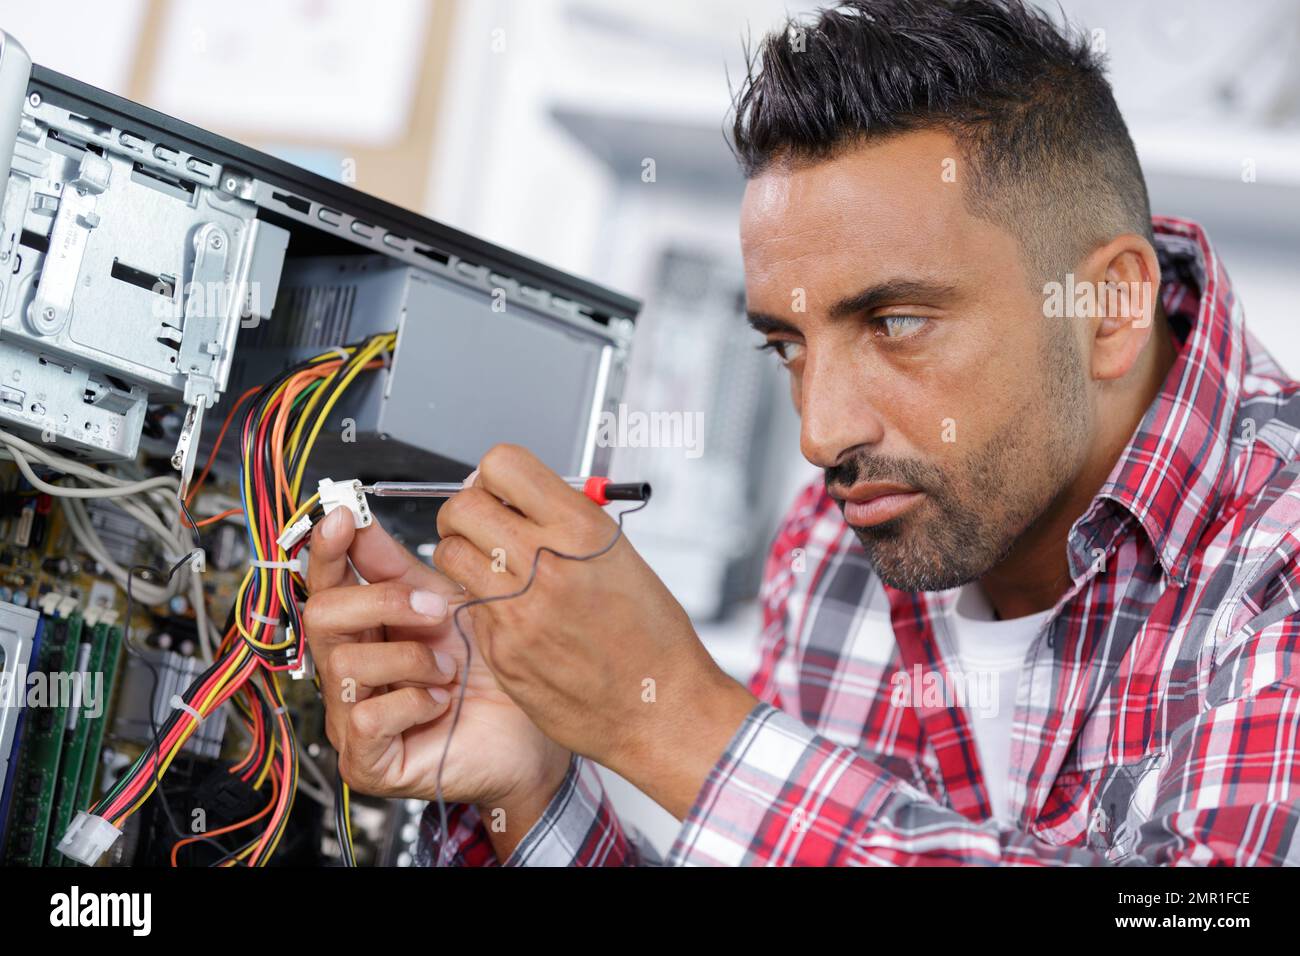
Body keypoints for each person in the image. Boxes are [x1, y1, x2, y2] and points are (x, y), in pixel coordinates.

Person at [301, 0, 1300, 865]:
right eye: (785, 343)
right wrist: (525, 787)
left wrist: (676, 723)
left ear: (1106, 310)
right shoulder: (839, 547)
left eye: (895, 323)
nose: (821, 433)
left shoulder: (1279, 558)